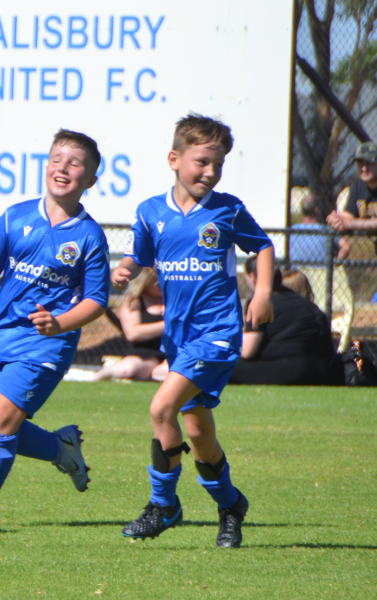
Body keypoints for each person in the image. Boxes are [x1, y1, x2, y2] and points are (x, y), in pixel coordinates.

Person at [0, 129, 110, 527]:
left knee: (1, 421)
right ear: (46, 166)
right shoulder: (16, 216)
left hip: (45, 346)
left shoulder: (90, 237)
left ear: (91, 180)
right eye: (57, 158)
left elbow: (97, 301)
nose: (63, 167)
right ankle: (60, 448)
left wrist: (59, 323)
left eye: (75, 162)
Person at [111, 113, 275, 548]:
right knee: (199, 432)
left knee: (161, 407)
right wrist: (125, 270)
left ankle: (164, 504)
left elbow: (261, 246)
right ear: (174, 159)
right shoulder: (151, 211)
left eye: (218, 165)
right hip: (178, 339)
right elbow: (139, 256)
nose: (210, 172)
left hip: (218, 333)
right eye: (202, 162)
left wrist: (260, 294)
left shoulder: (227, 209)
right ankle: (230, 506)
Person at [231, 257, 341, 386]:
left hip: (286, 370)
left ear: (253, 277)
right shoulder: (299, 300)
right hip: (316, 370)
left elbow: (247, 352)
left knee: (224, 365)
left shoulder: (259, 302)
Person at [291, 194, 354, 352]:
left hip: (299, 281)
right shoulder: (326, 231)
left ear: (302, 211)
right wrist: (336, 264)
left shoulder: (291, 232)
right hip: (322, 282)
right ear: (317, 210)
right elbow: (346, 247)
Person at [94, 268, 168, 382]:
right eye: (156, 281)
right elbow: (132, 333)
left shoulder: (174, 299)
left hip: (173, 352)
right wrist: (168, 326)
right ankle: (96, 377)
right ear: (145, 280)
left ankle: (153, 375)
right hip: (143, 353)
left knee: (165, 372)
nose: (160, 284)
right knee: (127, 370)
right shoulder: (134, 300)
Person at [326, 141, 377, 251]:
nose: (364, 168)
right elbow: (347, 216)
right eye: (360, 163)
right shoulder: (358, 185)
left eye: (369, 163)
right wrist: (337, 219)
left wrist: (349, 223)